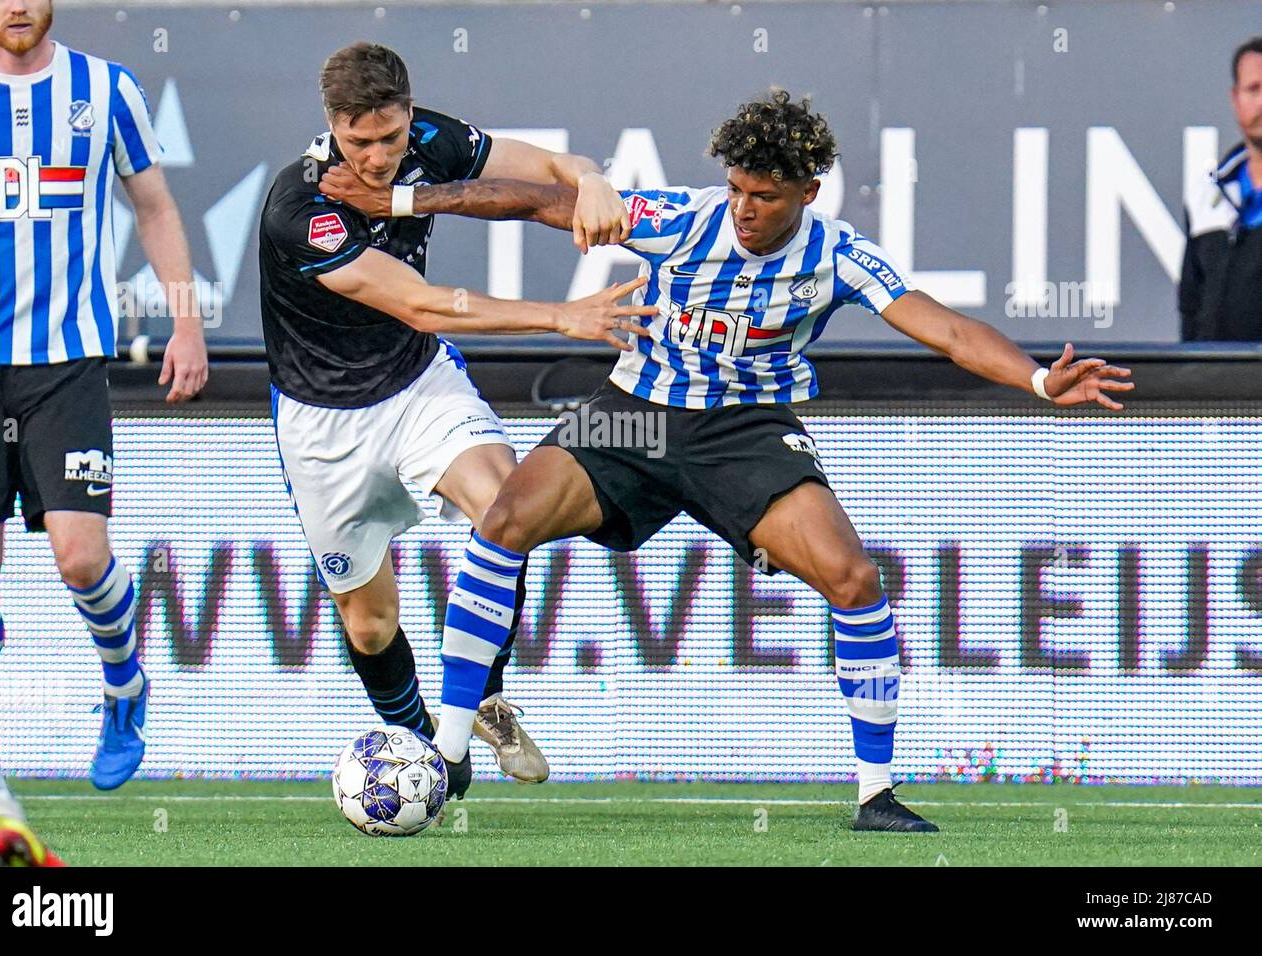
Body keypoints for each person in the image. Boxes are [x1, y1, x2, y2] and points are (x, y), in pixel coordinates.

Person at [324, 89, 1135, 828]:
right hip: (637, 417)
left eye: (766, 197)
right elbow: (537, 200)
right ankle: (454, 747)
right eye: (739, 189)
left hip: (743, 434)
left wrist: (1034, 376)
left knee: (854, 578)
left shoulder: (837, 254)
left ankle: (876, 794)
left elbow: (944, 327)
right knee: (503, 520)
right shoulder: (682, 218)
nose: (745, 210)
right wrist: (401, 198)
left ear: (807, 193)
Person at [261, 42, 651, 793]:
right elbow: (419, 300)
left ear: (409, 113)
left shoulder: (432, 141)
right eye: (358, 141)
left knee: (512, 508)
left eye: (390, 137)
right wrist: (560, 316)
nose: (377, 158)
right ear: (330, 125)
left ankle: (478, 698)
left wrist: (593, 177)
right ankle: (421, 753)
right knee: (369, 625)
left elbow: (544, 169)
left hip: (417, 388)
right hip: (323, 423)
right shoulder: (298, 207)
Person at [0, 0, 208, 865]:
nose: (16, 3)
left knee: (79, 557)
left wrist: (185, 322)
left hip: (66, 362)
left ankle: (124, 681)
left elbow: (156, 209)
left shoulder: (105, 90)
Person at [1181, 36, 1262, 341]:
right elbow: (1190, 302)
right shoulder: (1207, 193)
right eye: (1253, 89)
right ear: (1235, 97)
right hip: (1215, 381)